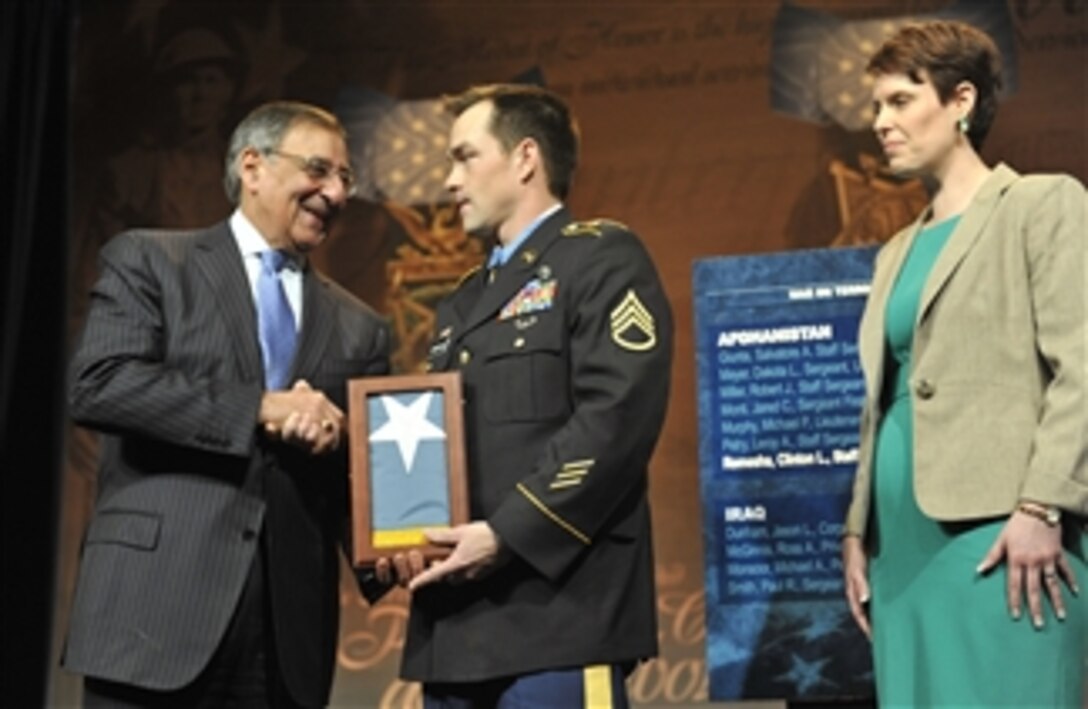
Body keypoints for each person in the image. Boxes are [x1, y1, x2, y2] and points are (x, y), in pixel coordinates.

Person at [65, 101, 393, 708]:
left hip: (284, 636)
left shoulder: (362, 327)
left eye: (345, 178)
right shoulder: (150, 261)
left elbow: (364, 476)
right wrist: (259, 408)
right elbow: (101, 383)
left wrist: (401, 542)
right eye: (318, 170)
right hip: (154, 617)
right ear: (253, 167)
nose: (335, 192)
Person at [397, 84, 673, 707]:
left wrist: (508, 532)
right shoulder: (462, 299)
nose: (449, 181)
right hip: (458, 626)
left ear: (525, 158)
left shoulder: (601, 258)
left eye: (465, 157)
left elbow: (616, 418)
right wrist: (399, 536)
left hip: (560, 614)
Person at [841, 20, 1087, 706]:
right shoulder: (894, 252)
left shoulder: (1041, 204)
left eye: (900, 100)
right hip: (901, 551)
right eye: (877, 106)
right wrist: (858, 530)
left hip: (1005, 534)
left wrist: (1043, 504)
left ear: (962, 101)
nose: (881, 122)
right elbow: (880, 403)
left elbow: (1083, 367)